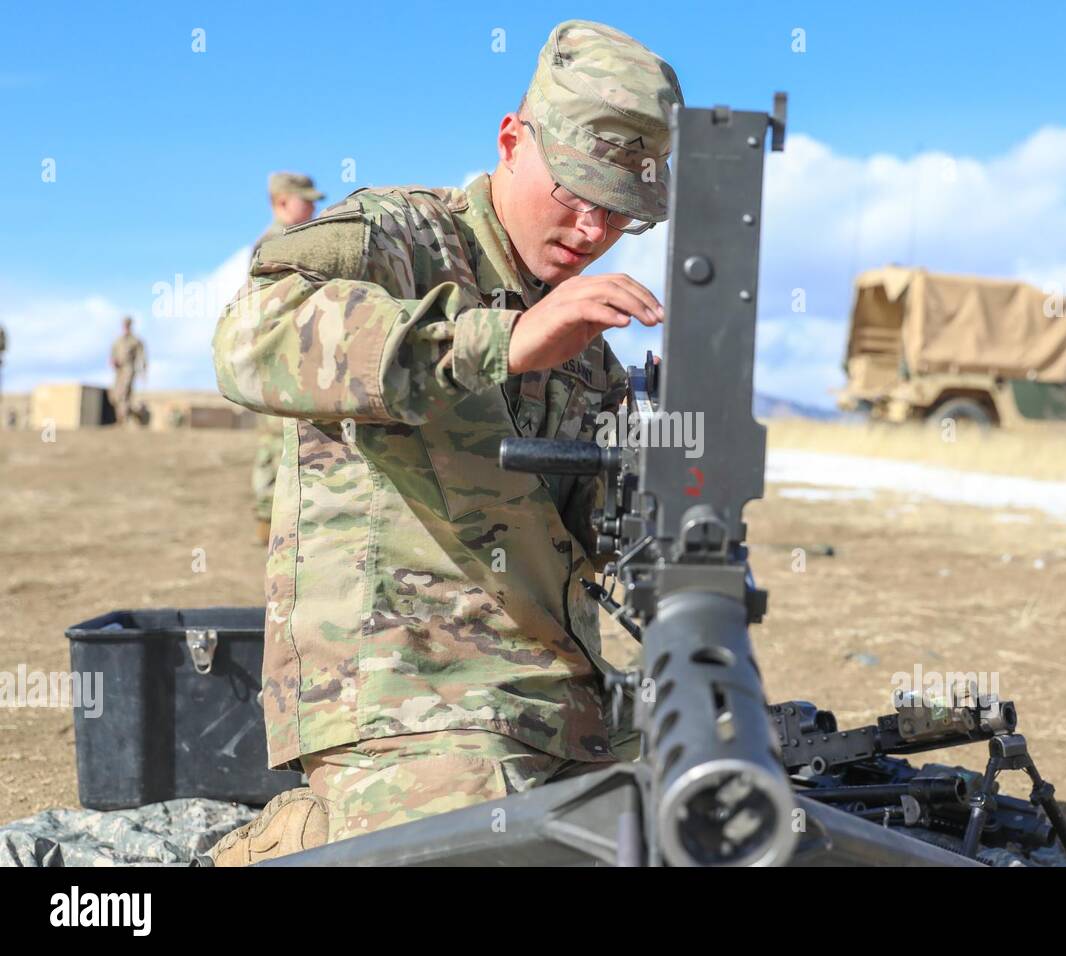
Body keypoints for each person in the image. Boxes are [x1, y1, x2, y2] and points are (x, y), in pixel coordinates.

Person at [208, 19, 680, 864]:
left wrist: (669, 473)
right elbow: (250, 339)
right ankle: (293, 841)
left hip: (562, 712)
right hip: (407, 699)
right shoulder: (397, 239)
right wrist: (494, 343)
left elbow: (602, 546)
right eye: (574, 191)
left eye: (621, 214)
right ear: (512, 140)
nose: (591, 230)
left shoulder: (592, 354)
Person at [250, 173, 324, 544]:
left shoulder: (296, 241)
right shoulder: (275, 244)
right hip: (279, 362)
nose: (313, 208)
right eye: (304, 200)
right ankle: (269, 525)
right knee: (275, 443)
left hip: (293, 361)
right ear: (281, 201)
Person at [109, 316, 146, 425]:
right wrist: (112, 361)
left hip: (129, 369)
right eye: (124, 324)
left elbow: (142, 357)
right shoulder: (118, 340)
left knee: (123, 394)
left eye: (127, 324)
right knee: (114, 396)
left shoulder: (135, 341)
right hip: (118, 370)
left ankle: (122, 421)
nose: (126, 326)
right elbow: (112, 354)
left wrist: (143, 371)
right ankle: (138, 414)